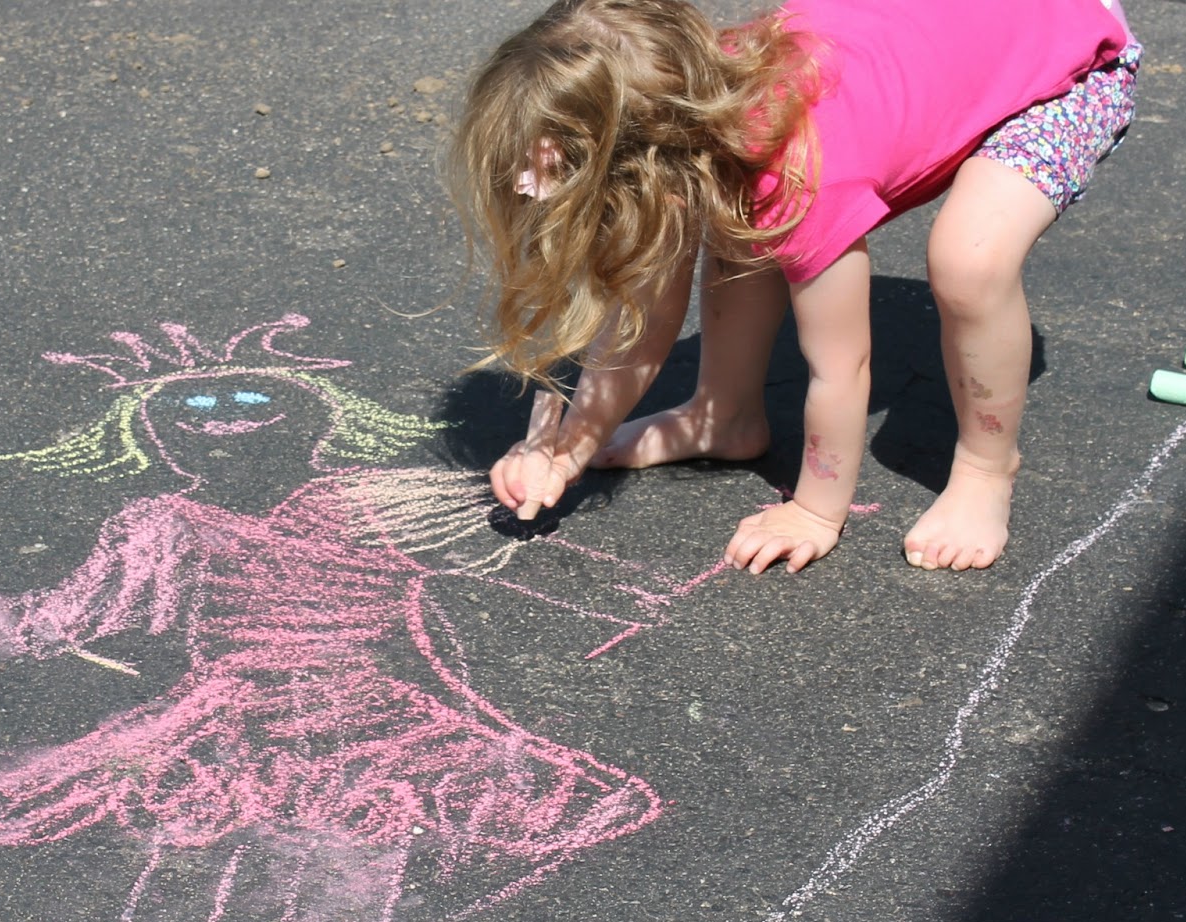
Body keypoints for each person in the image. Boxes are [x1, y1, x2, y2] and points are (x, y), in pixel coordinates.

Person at [452, 0, 1139, 572]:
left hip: (1074, 59)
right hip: (962, 34)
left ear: (645, 168)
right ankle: (723, 416)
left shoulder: (805, 172)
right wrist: (567, 449)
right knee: (736, 209)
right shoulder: (675, 101)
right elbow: (646, 315)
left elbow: (843, 366)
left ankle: (986, 470)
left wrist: (815, 510)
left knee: (969, 262)